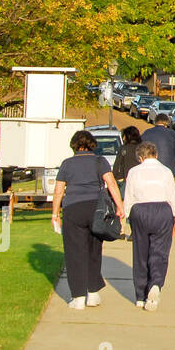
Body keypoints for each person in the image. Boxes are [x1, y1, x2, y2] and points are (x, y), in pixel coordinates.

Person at [51, 130, 124, 310]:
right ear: (92, 144)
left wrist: (55, 214)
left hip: (73, 209)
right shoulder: (100, 161)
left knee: (74, 252)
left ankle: (77, 298)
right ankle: (92, 293)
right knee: (94, 250)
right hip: (95, 209)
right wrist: (120, 206)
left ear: (74, 146)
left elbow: (58, 190)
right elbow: (112, 183)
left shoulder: (67, 164)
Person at [123, 140, 175, 311]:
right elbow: (172, 195)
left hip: (140, 209)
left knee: (140, 252)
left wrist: (126, 217)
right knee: (160, 252)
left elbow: (129, 195)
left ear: (140, 158)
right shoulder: (166, 171)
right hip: (163, 209)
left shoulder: (133, 172)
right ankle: (155, 284)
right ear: (156, 155)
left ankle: (140, 296)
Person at [113, 126, 142, 202]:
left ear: (127, 136)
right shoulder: (143, 148)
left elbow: (117, 166)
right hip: (141, 181)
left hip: (127, 182)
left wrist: (116, 178)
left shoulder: (123, 148)